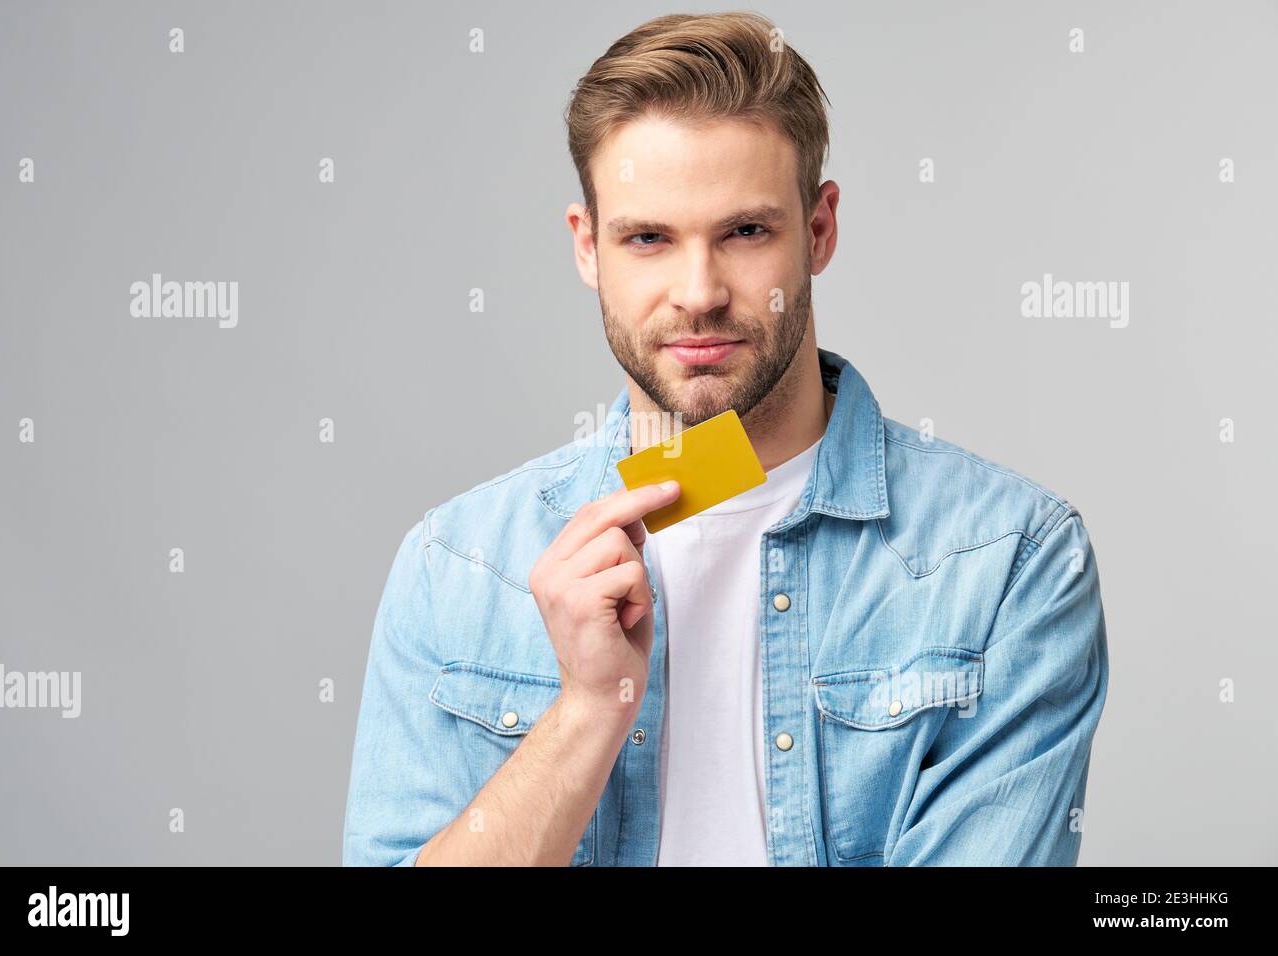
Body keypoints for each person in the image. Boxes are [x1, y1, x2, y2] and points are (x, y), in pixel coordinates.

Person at [342, 11, 1109, 867]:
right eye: (648, 238)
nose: (698, 293)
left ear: (818, 231)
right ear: (588, 247)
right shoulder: (455, 567)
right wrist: (586, 714)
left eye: (745, 232)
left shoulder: (1008, 560)